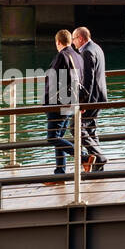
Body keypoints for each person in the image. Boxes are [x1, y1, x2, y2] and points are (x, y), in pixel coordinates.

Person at [43, 29, 80, 185]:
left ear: (58, 42)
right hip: (72, 102)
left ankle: (83, 156)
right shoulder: (78, 56)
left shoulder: (61, 56)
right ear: (70, 40)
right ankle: (60, 174)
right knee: (59, 138)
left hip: (58, 105)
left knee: (53, 138)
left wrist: (46, 102)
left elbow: (52, 80)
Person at [71, 26, 108, 173]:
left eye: (74, 39)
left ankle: (99, 157)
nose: (73, 43)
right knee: (90, 130)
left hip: (91, 99)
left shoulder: (86, 52)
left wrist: (83, 102)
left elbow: (88, 80)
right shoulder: (96, 47)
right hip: (99, 97)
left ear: (80, 38)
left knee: (75, 127)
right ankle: (99, 166)